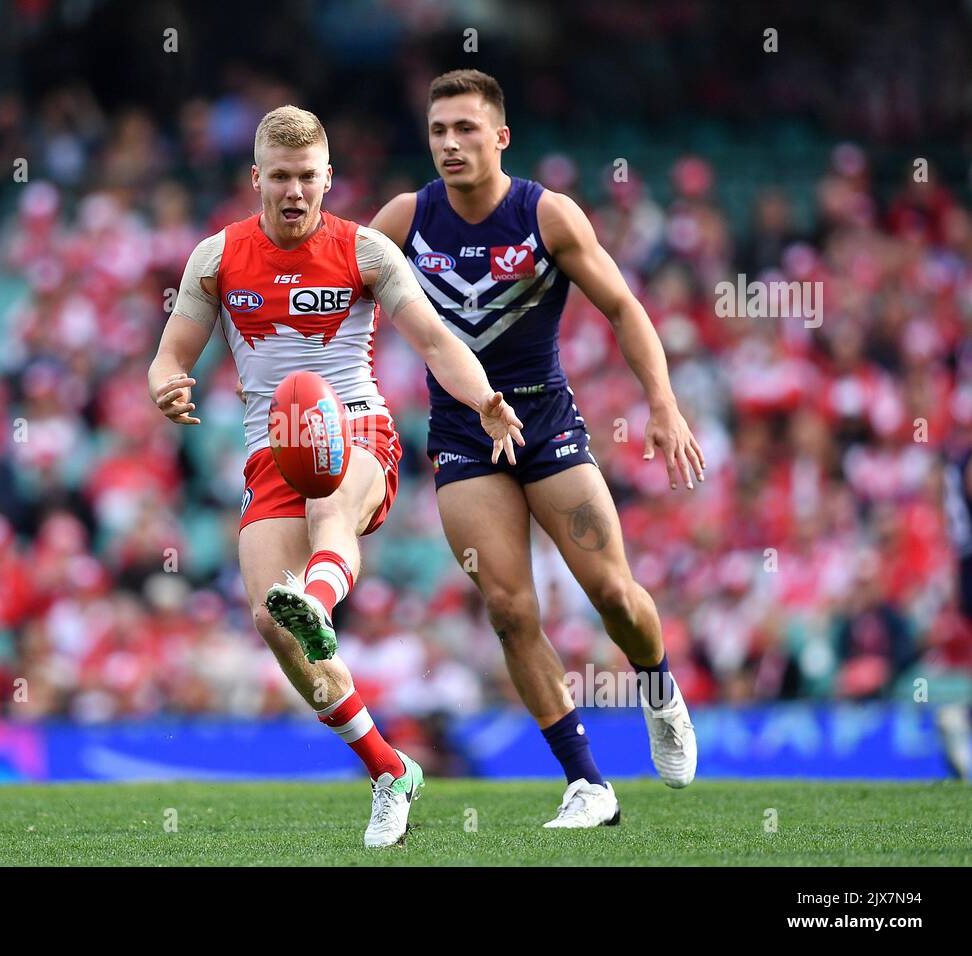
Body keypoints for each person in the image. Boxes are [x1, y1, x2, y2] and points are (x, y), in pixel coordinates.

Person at [148, 105, 522, 847]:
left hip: (356, 428)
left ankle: (315, 599)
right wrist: (167, 385)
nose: (294, 191)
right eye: (279, 178)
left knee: (329, 515)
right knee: (267, 622)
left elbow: (435, 341)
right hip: (269, 450)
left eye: (307, 177)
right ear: (256, 179)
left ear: (329, 179)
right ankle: (389, 770)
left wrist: (483, 397)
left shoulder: (368, 251)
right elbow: (170, 354)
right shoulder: (216, 258)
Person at [369, 69, 704, 827]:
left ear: (500, 137)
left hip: (548, 429)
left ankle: (658, 686)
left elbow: (623, 306)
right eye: (438, 131)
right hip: (461, 438)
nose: (450, 145)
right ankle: (587, 782)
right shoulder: (404, 219)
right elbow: (339, 288)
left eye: (465, 129)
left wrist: (662, 403)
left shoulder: (545, 215)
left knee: (614, 595)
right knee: (509, 609)